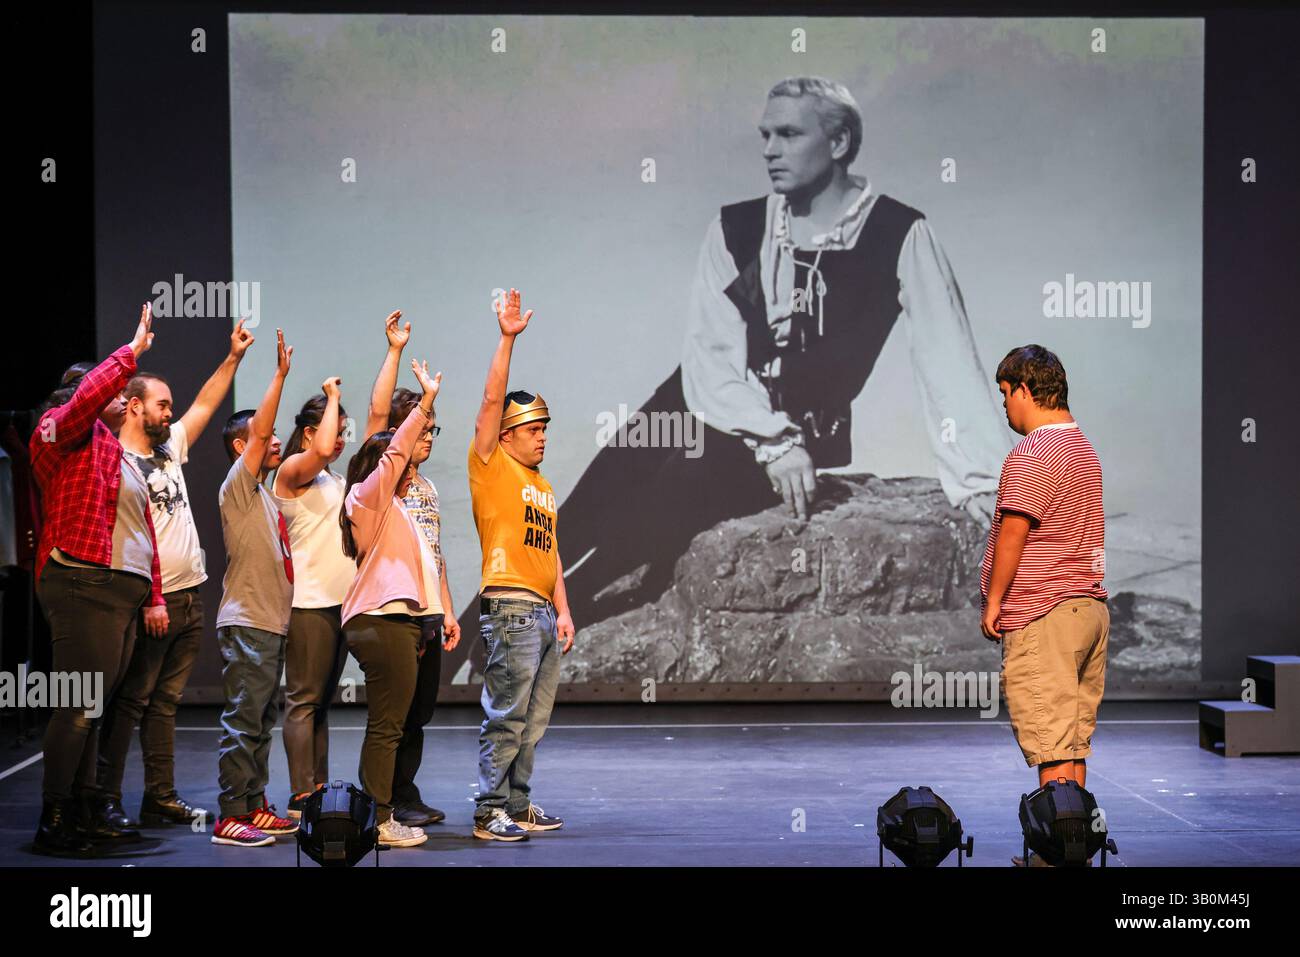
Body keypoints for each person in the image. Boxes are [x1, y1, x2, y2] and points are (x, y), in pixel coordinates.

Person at [522, 75, 1009, 645]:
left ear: (840, 143)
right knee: (593, 499)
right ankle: (477, 637)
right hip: (705, 400)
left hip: (804, 427)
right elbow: (710, 353)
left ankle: (558, 618)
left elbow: (948, 359)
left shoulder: (899, 232)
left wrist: (983, 479)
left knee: (666, 500)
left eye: (788, 134)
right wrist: (769, 436)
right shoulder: (736, 227)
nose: (769, 150)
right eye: (765, 135)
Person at [95, 318, 255, 830]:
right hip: (152, 600)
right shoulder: (115, 459)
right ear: (135, 405)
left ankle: (159, 796)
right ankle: (106, 798)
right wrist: (151, 599)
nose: (171, 412)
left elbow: (206, 405)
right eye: (162, 404)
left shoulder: (168, 449)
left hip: (189, 597)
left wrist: (232, 358)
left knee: (164, 703)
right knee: (131, 701)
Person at [29, 304, 168, 856]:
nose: (113, 395)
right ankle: (54, 817)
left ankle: (85, 809)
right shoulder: (56, 431)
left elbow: (144, 536)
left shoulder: (115, 453)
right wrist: (130, 352)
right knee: (80, 705)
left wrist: (153, 595)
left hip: (118, 593)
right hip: (82, 583)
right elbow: (87, 398)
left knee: (95, 708)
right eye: (100, 390)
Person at [977, 345, 1108, 865]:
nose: (1005, 406)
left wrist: (994, 600)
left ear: (1027, 391)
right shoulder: (1084, 449)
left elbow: (1013, 534)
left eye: (1006, 394)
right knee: (1071, 745)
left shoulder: (1032, 454)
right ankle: (1068, 853)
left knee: (1051, 746)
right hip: (1089, 610)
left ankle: (1055, 859)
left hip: (1044, 613)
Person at [469, 289, 575, 842]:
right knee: (507, 715)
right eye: (533, 430)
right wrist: (506, 338)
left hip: (540, 610)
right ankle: (489, 811)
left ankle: (518, 801)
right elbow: (490, 401)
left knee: (533, 721)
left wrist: (564, 610)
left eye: (544, 430)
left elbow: (550, 550)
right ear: (506, 435)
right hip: (510, 606)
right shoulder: (491, 465)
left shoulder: (542, 485)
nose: (542, 438)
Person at [363, 311, 462, 828]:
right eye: (424, 426)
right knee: (394, 711)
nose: (430, 435)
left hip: (427, 608)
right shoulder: (387, 478)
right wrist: (395, 351)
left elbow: (436, 553)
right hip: (393, 609)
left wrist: (444, 608)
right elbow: (380, 415)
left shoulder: (426, 488)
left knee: (419, 710)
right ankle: (386, 799)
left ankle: (406, 789)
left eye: (433, 427)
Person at [338, 357, 442, 847]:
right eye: (393, 462)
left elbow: (423, 570)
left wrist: (433, 618)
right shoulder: (368, 497)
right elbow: (395, 448)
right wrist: (424, 404)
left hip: (398, 621)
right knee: (386, 726)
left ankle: (377, 814)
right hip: (380, 621)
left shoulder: (397, 508)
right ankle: (379, 821)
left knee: (391, 723)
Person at [211, 329, 300, 847]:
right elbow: (263, 425)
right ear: (243, 447)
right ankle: (228, 815)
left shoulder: (265, 497)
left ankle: (254, 804)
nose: (274, 442)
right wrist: (280, 376)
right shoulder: (237, 488)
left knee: (262, 722)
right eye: (263, 438)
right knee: (244, 721)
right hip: (248, 622)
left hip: (271, 624)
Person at [272, 378, 357, 817]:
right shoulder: (289, 473)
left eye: (344, 432)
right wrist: (335, 397)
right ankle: (300, 791)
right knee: (303, 701)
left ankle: (318, 784)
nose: (339, 441)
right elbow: (321, 451)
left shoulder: (333, 479)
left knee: (321, 703)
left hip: (341, 604)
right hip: (309, 603)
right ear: (309, 433)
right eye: (333, 430)